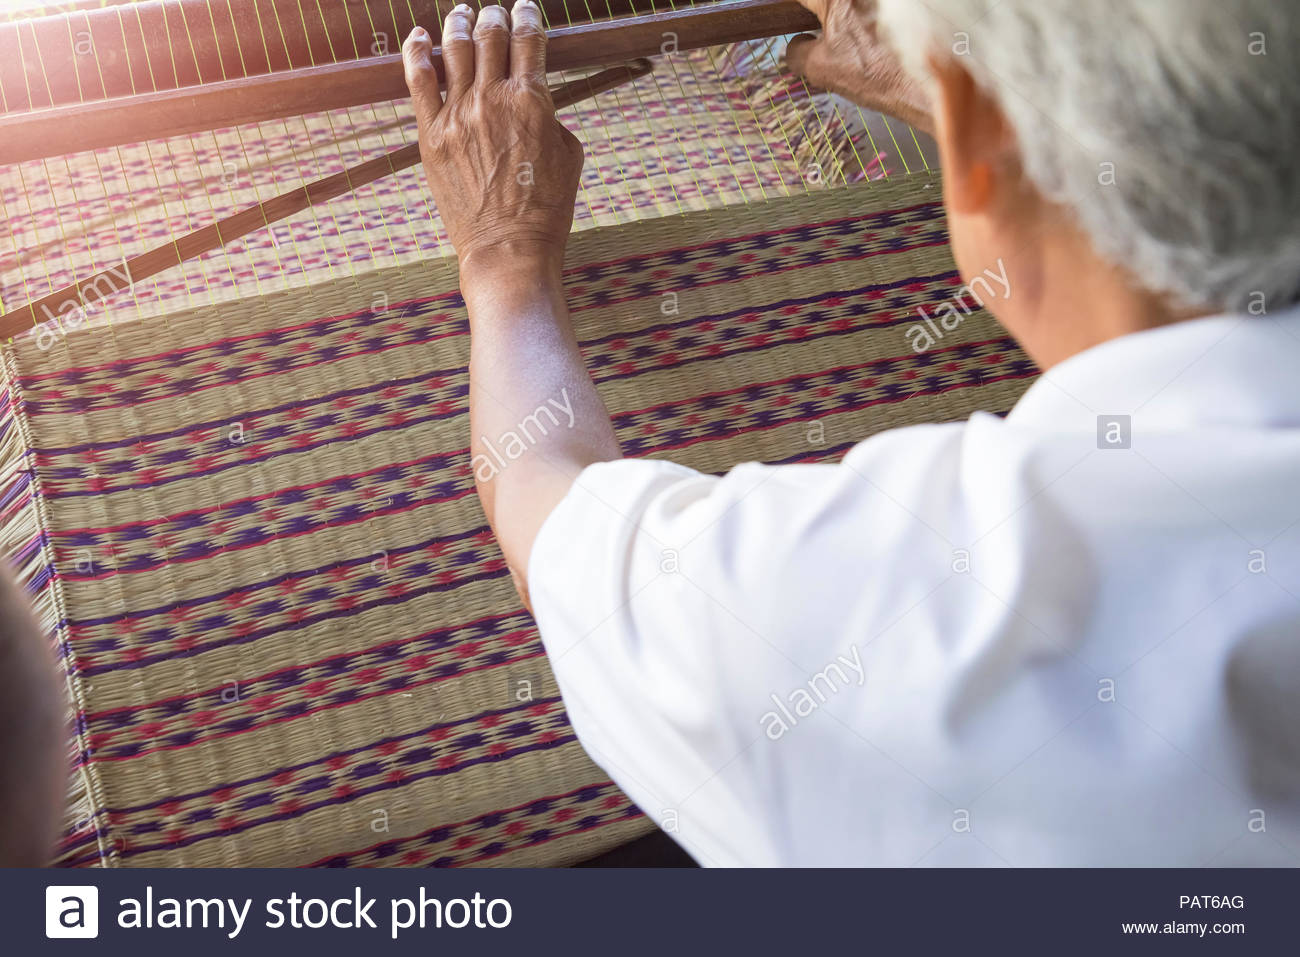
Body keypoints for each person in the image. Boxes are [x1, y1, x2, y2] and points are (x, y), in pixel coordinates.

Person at [402, 0, 1300, 865]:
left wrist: (501, 255)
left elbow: (547, 514)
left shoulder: (893, 608)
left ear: (980, 134)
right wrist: (971, 106)